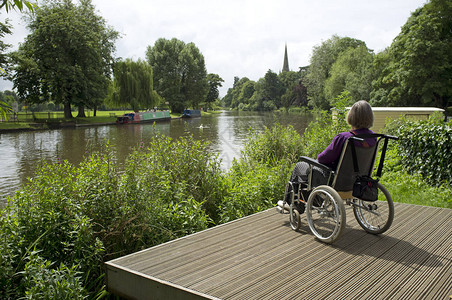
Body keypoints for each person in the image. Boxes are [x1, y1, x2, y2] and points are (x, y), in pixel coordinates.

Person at [283, 100, 376, 209]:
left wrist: (319, 157)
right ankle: (312, 202)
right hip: (360, 182)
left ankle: (292, 203)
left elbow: (323, 159)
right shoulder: (373, 138)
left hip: (337, 182)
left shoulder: (344, 138)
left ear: (352, 117)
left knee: (301, 165)